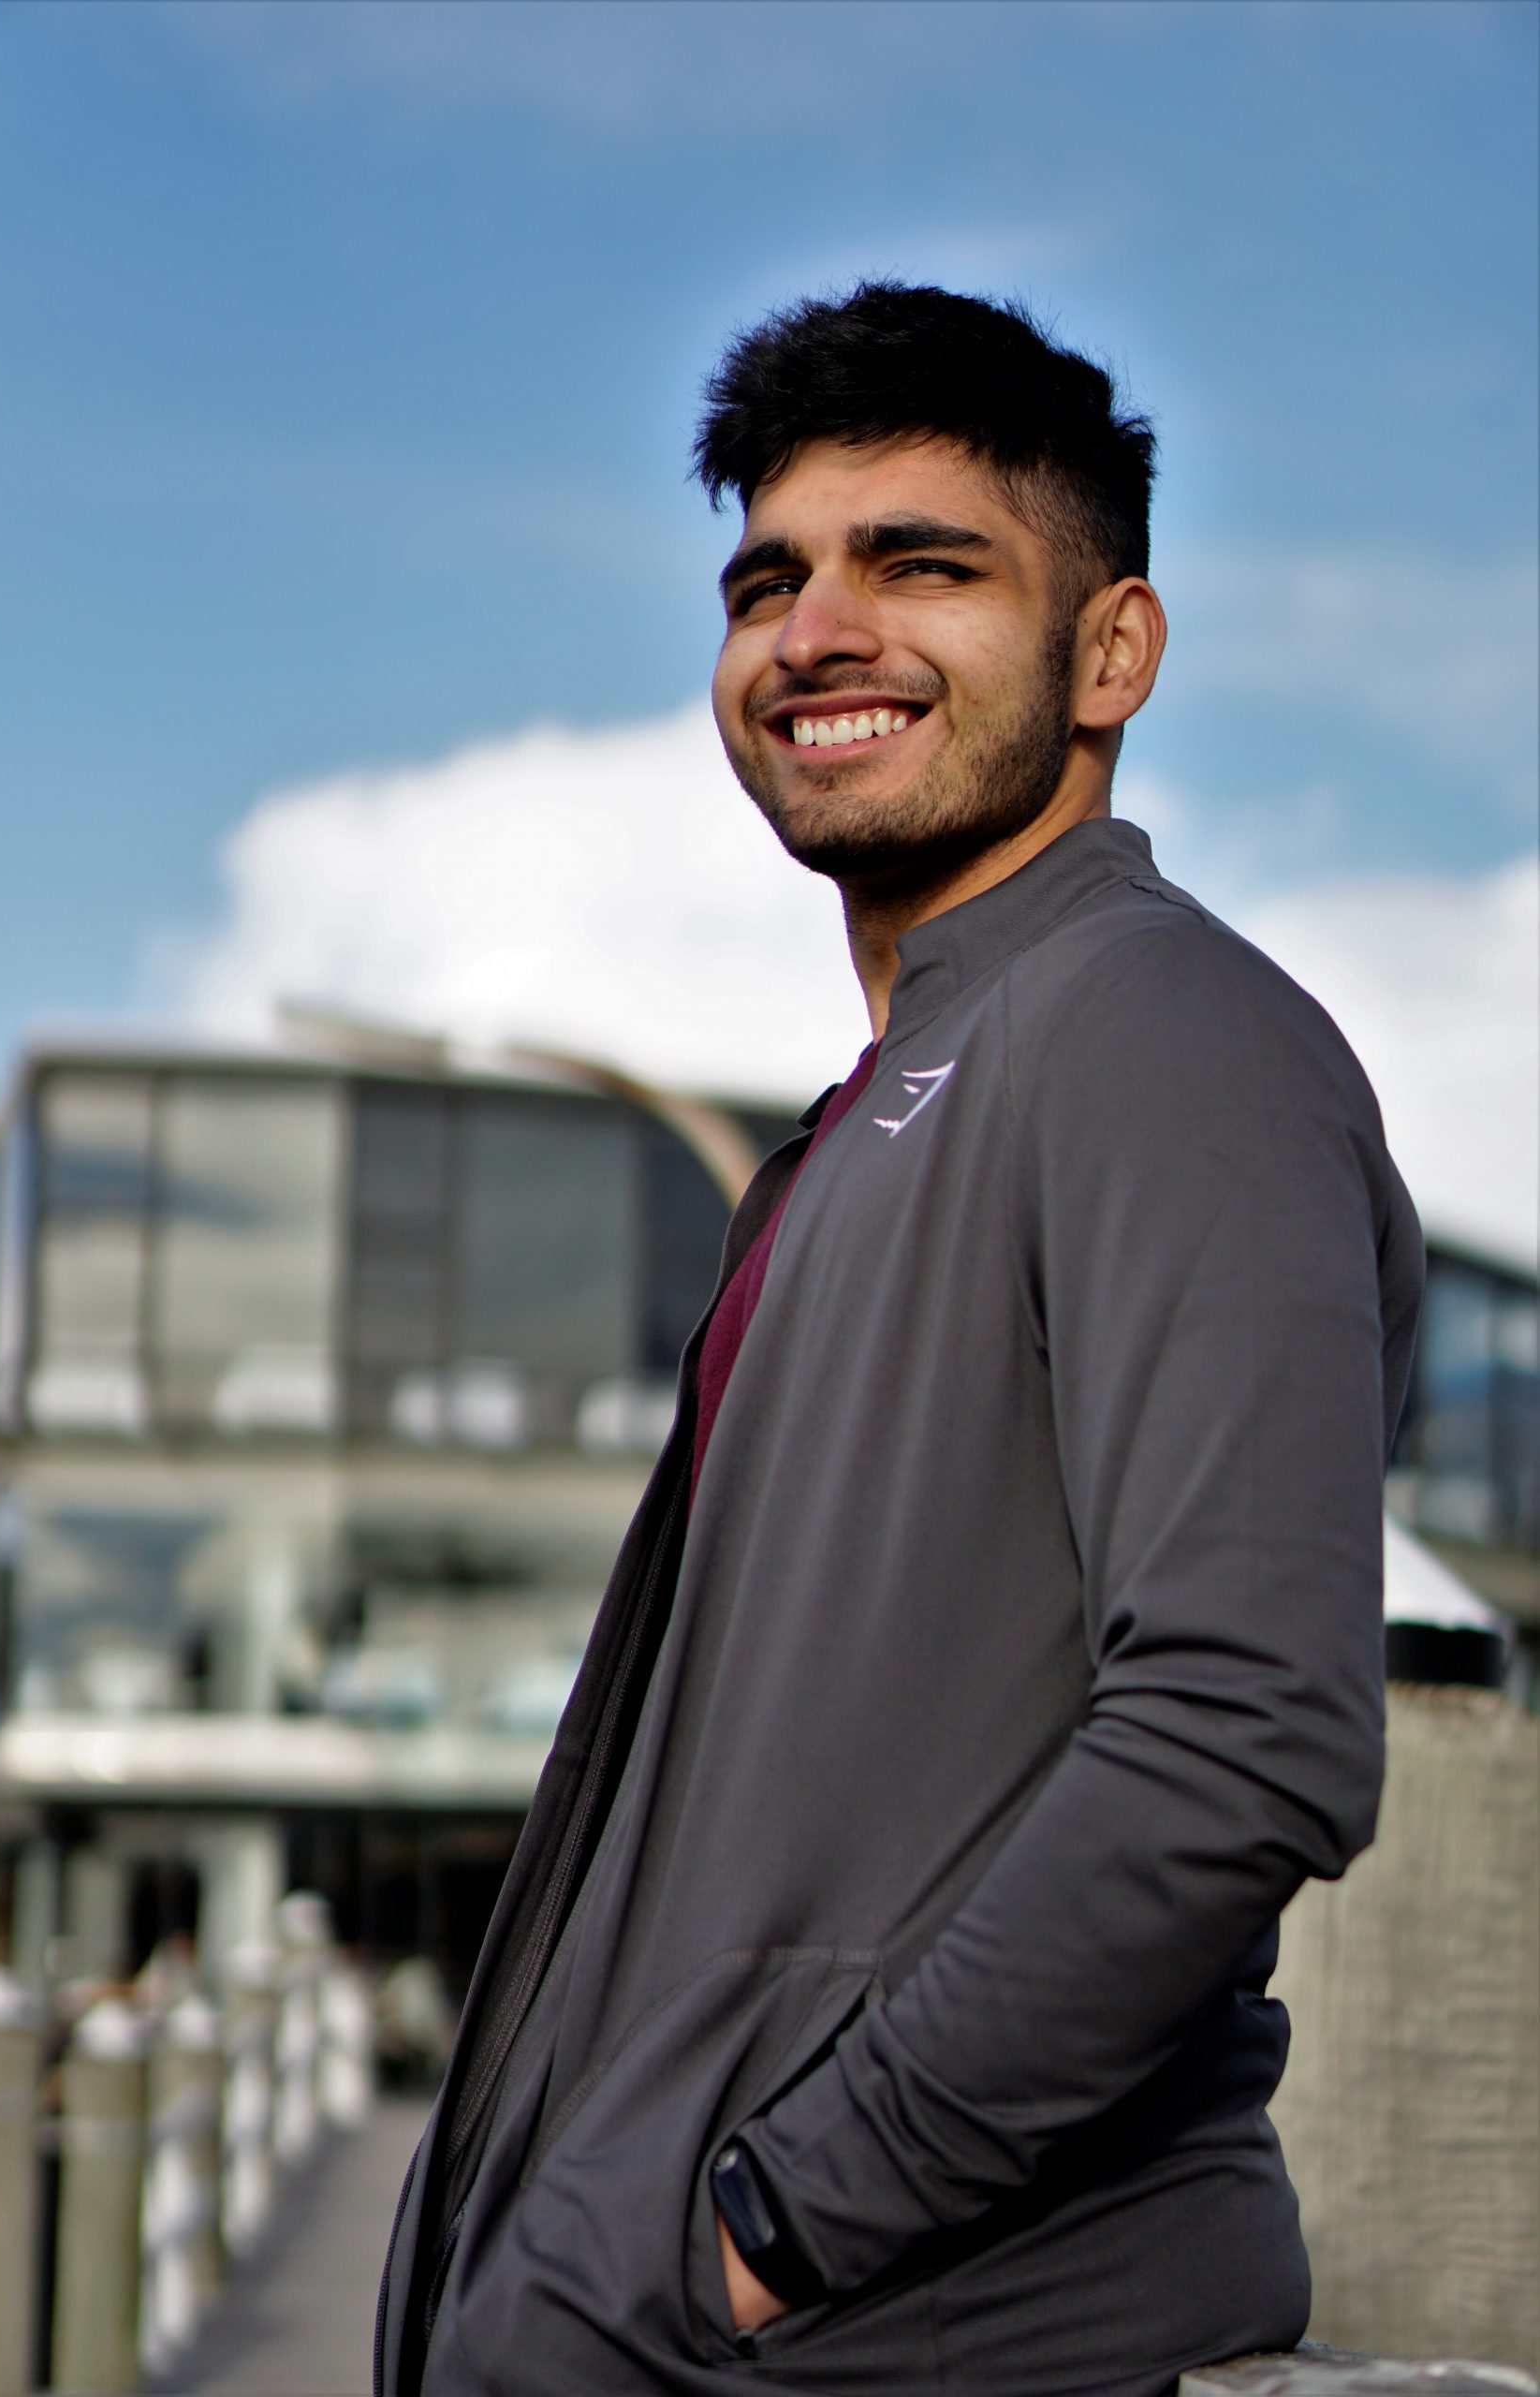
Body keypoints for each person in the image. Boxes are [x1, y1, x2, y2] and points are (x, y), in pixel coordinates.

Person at [375, 282, 1423, 2397]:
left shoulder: (1153, 1029)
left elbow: (1238, 1730)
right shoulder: (876, 1118)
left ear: (1109, 649)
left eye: (921, 565)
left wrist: (773, 2219)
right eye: (769, 579)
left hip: (894, 2337)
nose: (817, 627)